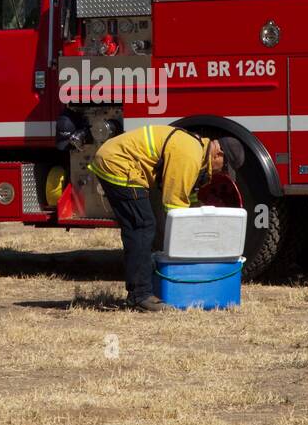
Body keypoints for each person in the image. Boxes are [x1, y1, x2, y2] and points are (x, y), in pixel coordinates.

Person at [91, 126, 245, 312]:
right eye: (225, 167)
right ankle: (140, 296)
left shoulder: (196, 151)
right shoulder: (190, 156)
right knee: (142, 226)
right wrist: (186, 249)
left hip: (118, 160)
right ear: (218, 154)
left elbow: (186, 197)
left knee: (139, 227)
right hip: (118, 163)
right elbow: (174, 207)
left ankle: (140, 291)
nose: (221, 173)